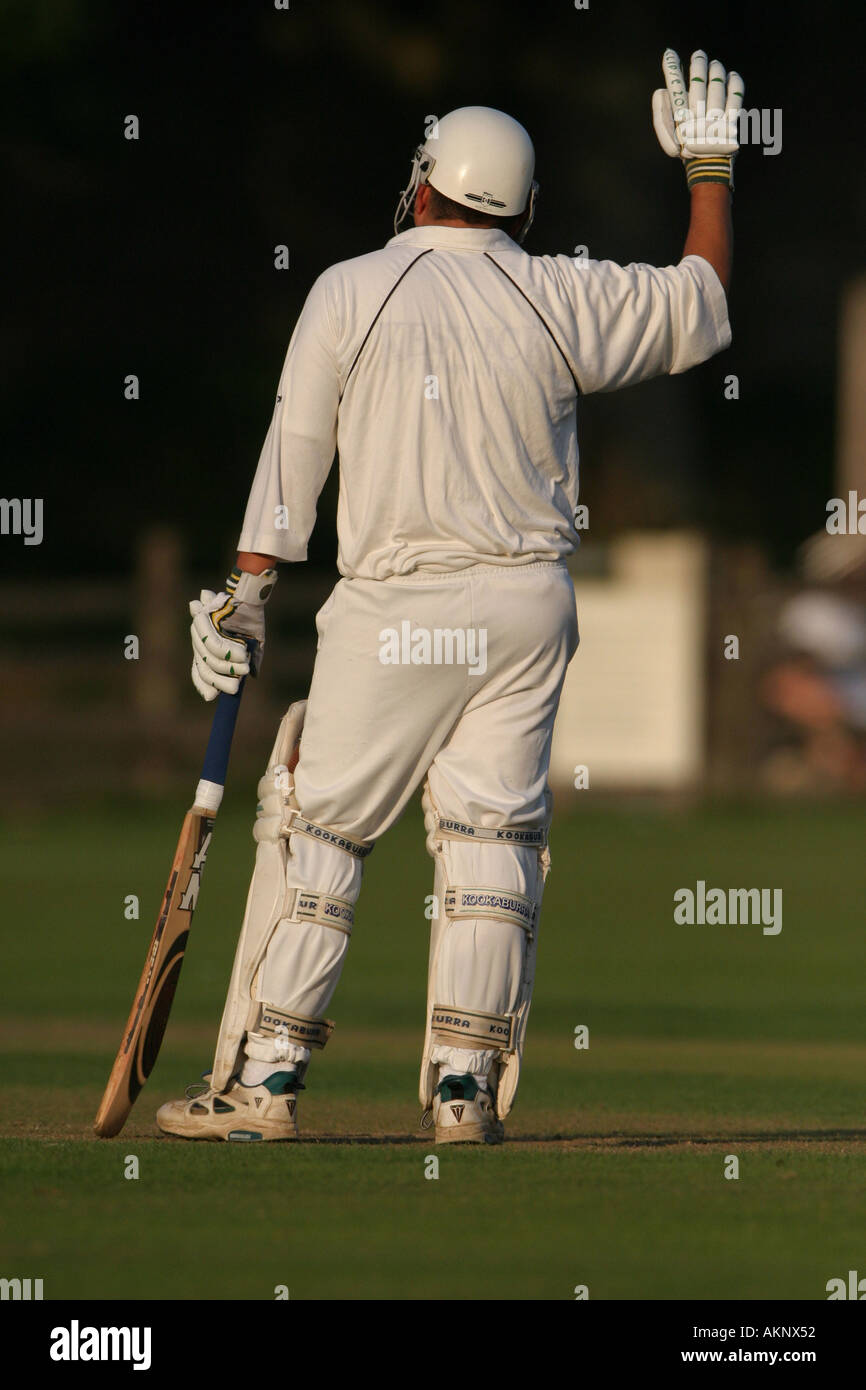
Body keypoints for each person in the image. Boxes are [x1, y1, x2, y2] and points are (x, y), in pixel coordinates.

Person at [157, 49, 740, 1144]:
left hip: (396, 609)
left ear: (421, 181)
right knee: (490, 837)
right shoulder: (559, 288)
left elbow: (295, 451)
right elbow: (702, 307)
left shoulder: (350, 288)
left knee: (317, 825)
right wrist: (709, 166)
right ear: (520, 205)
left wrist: (245, 593)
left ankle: (264, 1083)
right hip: (527, 606)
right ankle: (464, 1090)